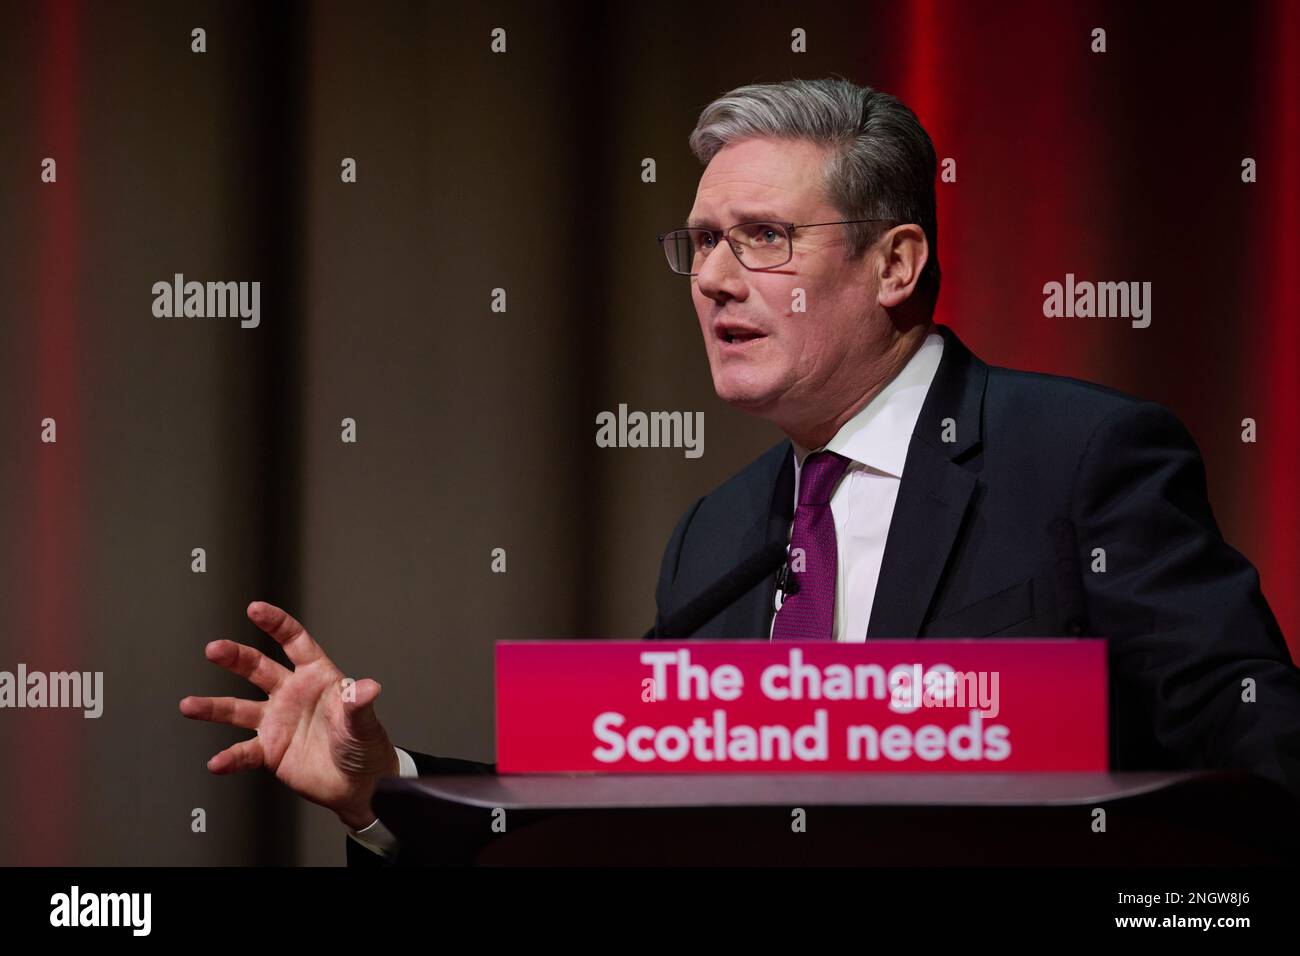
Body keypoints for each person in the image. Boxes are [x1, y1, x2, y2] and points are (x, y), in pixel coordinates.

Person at [179, 77, 1300, 866]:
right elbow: (627, 819)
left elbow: (1258, 760)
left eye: (762, 237)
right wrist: (387, 782)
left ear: (895, 261)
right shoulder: (718, 536)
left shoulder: (1079, 458)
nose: (714, 278)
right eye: (700, 242)